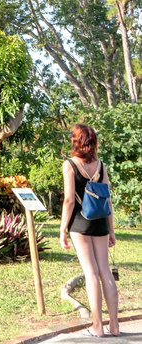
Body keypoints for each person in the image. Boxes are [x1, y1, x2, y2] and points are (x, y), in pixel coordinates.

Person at [60, 123, 119, 338]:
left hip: (80, 222)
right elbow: (108, 200)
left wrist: (62, 229)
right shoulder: (100, 165)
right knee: (105, 271)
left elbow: (68, 200)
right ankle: (114, 325)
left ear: (76, 141)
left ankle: (97, 326)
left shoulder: (70, 165)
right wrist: (111, 230)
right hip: (101, 222)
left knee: (91, 273)